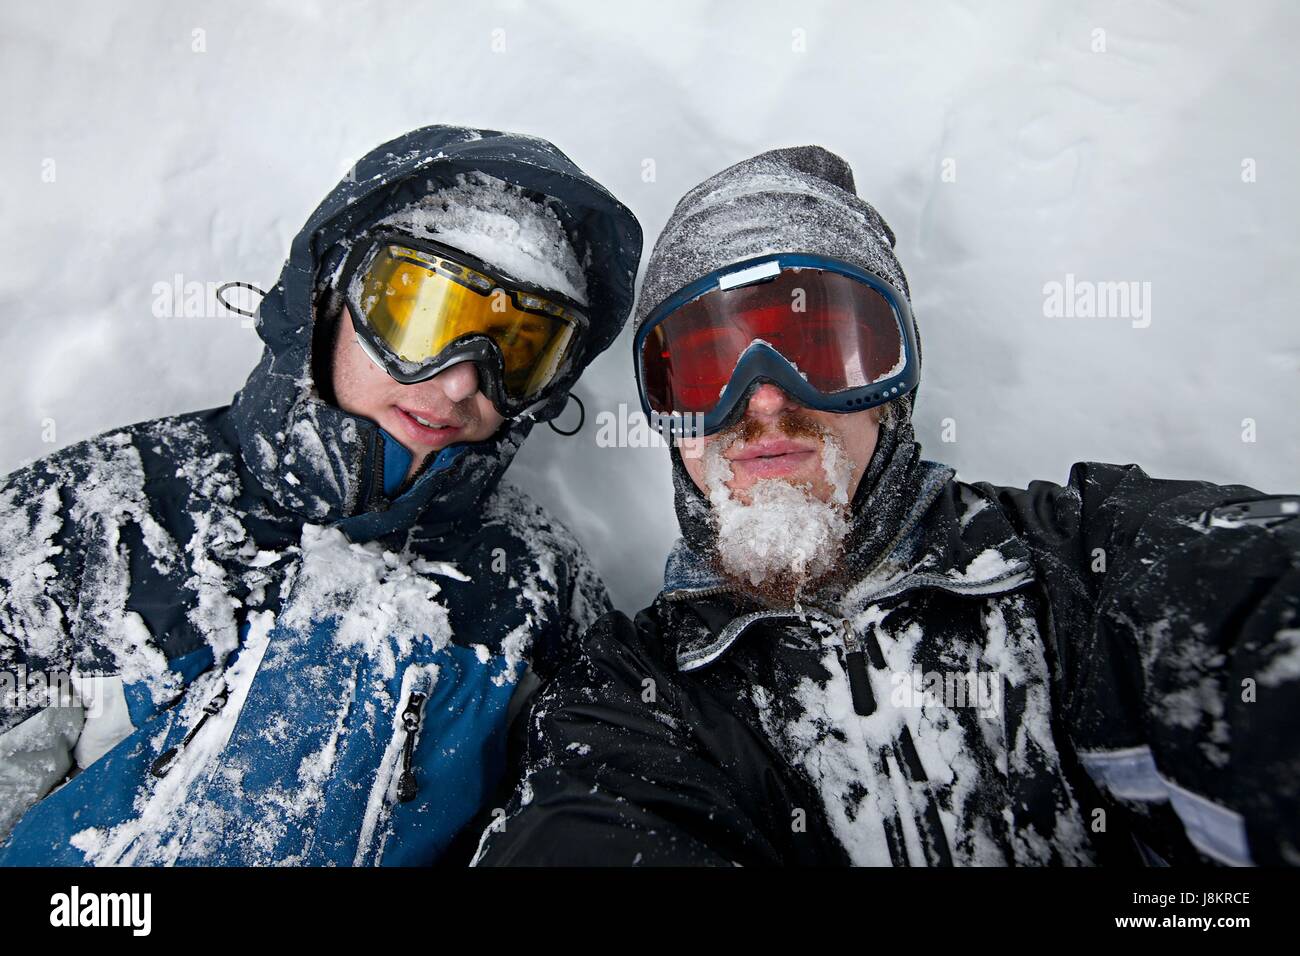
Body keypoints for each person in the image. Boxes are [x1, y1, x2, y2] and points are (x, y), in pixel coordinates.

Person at [474, 145, 1300, 866]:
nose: (761, 403)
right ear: (669, 425)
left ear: (890, 392)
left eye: (819, 350)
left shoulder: (1083, 567)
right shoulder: (629, 699)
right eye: (702, 370)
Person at [0, 125, 642, 865]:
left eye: (519, 349)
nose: (462, 379)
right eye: (425, 317)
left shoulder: (538, 585)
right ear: (331, 294)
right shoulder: (92, 521)